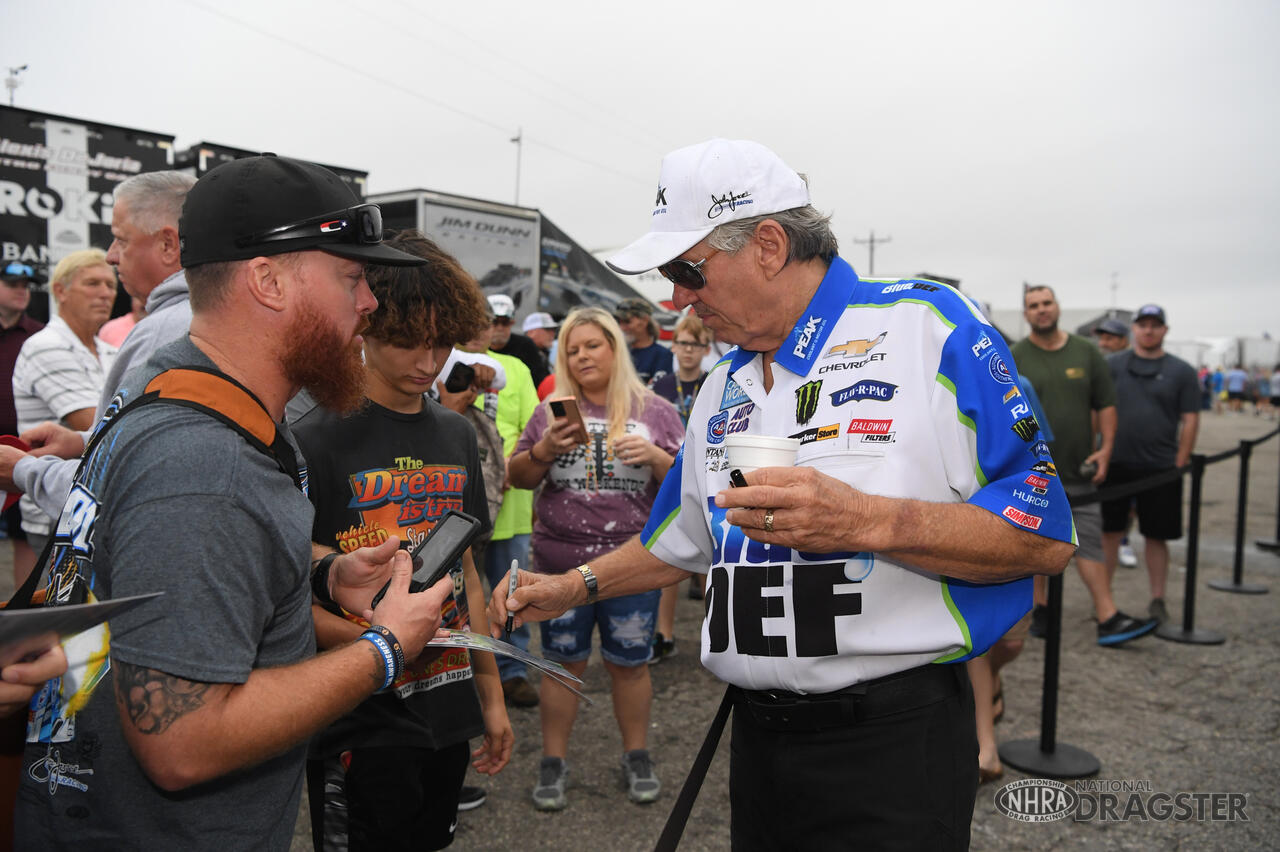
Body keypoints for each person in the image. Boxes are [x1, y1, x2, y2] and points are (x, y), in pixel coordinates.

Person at [490, 138, 1074, 849]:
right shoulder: (722, 385)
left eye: (685, 269)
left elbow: (1043, 533)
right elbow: (679, 543)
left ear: (768, 244)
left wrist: (866, 521)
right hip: (759, 735)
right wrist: (570, 587)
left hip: (892, 738)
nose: (676, 298)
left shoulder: (926, 327)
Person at [15, 154, 454, 848]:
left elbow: (162, 547)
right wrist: (388, 647)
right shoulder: (208, 462)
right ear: (269, 281)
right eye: (351, 276)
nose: (369, 302)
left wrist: (324, 571)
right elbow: (181, 743)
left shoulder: (181, 380)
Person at [293, 229, 512, 851]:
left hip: (445, 706)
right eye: (406, 341)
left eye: (440, 343)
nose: (426, 361)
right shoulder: (312, 435)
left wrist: (488, 699)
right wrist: (381, 642)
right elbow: (280, 586)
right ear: (365, 326)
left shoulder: (455, 434)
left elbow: (468, 572)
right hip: (356, 712)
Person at [507, 306, 683, 811]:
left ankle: (637, 754)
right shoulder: (552, 410)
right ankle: (552, 762)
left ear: (615, 348)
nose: (581, 356)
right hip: (559, 564)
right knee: (563, 663)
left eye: (592, 345)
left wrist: (657, 459)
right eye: (572, 348)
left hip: (632, 566)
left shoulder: (656, 412)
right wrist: (542, 450)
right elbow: (518, 477)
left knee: (629, 664)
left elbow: (691, 486)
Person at [0, 171, 197, 526]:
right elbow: (150, 440)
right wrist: (80, 441)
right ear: (60, 291)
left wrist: (23, 470)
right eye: (92, 283)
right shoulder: (203, 314)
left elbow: (113, 476)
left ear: (169, 245)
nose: (111, 256)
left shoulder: (161, 331)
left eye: (121, 240)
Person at [1012, 285, 1156, 646]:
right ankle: (1037, 610)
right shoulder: (1013, 355)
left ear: (1057, 307)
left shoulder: (1086, 352)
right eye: (1033, 306)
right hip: (1033, 475)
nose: (1041, 310)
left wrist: (1106, 449)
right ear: (1026, 314)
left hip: (1081, 469)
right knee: (1034, 541)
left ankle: (1107, 616)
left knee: (1088, 539)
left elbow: (1105, 403)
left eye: (1047, 303)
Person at [11, 249, 119, 562]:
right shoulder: (45, 346)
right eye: (92, 283)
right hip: (58, 514)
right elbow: (99, 427)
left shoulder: (111, 350)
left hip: (92, 505)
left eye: (110, 285)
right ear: (60, 290)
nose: (105, 293)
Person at [1102, 304, 1200, 624]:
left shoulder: (1182, 371)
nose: (1148, 330)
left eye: (1154, 325)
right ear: (1134, 329)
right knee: (1110, 533)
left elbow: (1190, 419)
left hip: (1160, 466)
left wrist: (1180, 461)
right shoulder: (1113, 365)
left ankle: (1158, 598)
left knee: (1157, 536)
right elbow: (1098, 408)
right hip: (1115, 463)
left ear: (1165, 330)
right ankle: (1104, 600)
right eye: (1142, 325)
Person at [463, 311, 541, 708]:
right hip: (461, 506)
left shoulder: (516, 368)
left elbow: (534, 424)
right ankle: (468, 674)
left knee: (512, 589)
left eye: (494, 320)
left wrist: (509, 464)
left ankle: (512, 672)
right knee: (464, 593)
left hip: (512, 501)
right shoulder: (444, 362)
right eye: (479, 318)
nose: (486, 326)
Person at [650, 311, 712, 657]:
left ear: (705, 349)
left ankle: (714, 630)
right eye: (683, 344)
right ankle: (664, 634)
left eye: (696, 344)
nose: (688, 351)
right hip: (666, 479)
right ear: (673, 346)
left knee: (708, 559)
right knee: (667, 556)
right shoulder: (658, 386)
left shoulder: (715, 381)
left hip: (705, 479)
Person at [0, 261, 44, 586]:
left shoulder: (39, 335)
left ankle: (24, 628)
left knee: (23, 536)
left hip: (19, 451)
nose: (21, 290)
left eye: (26, 285)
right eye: (13, 283)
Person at [487, 293, 549, 387]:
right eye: (494, 322)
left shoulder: (525, 346)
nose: (500, 328)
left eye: (505, 322)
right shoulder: (475, 347)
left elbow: (541, 382)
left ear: (512, 323)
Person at [614, 298, 672, 386]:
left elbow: (658, 393)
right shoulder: (615, 352)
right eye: (619, 322)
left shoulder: (663, 355)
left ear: (644, 320)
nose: (622, 327)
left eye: (627, 322)